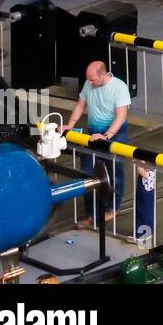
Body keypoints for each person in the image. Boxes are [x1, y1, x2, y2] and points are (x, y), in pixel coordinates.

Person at [61, 60, 131, 222]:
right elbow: (80, 105)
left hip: (115, 134)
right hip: (93, 135)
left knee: (115, 173)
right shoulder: (89, 84)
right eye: (88, 79)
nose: (89, 83)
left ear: (102, 74)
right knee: (87, 173)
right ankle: (91, 213)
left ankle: (113, 207)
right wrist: (70, 125)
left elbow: (121, 116)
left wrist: (106, 136)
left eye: (92, 79)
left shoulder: (119, 88)